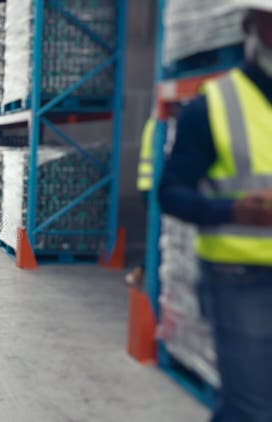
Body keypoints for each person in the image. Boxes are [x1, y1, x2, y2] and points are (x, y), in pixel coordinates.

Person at [159, 4, 272, 420]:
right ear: (251, 27)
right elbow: (171, 193)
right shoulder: (215, 106)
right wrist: (232, 210)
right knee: (254, 409)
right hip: (240, 277)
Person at [125, 114, 158, 287]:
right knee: (160, 234)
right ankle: (141, 271)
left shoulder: (154, 121)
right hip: (155, 186)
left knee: (158, 233)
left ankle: (141, 271)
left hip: (147, 185)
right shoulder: (164, 123)